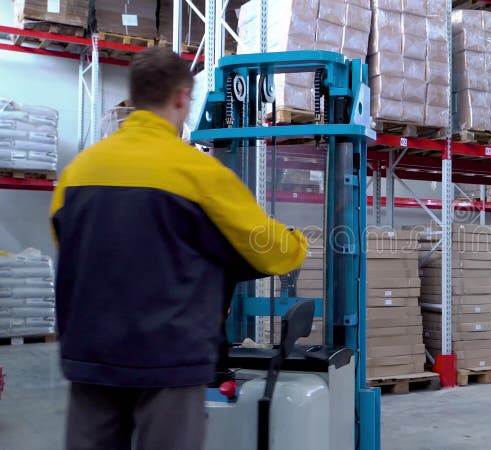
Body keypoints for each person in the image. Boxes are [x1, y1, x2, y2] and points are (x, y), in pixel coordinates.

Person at [49, 47, 308, 450]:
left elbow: (66, 244)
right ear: (182, 96)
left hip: (90, 356)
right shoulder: (198, 174)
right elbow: (270, 249)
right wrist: (298, 243)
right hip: (167, 361)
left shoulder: (77, 172)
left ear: (134, 97)